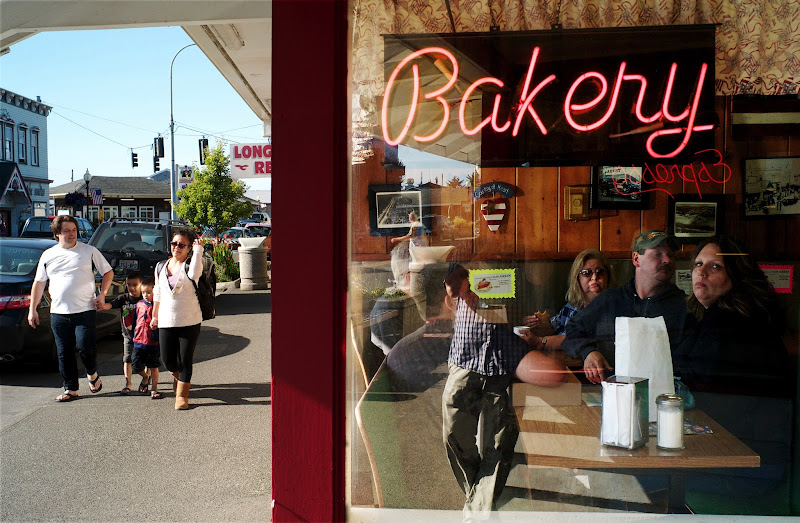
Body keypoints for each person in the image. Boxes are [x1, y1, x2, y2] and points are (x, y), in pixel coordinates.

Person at [441, 265, 565, 515]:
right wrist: (455, 284)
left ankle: (476, 514)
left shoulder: (526, 263)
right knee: (454, 433)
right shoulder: (470, 252)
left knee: (498, 444)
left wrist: (533, 328)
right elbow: (447, 276)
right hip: (468, 350)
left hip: (506, 349)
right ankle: (478, 503)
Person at [562, 230, 692, 384]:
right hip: (613, 393)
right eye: (658, 254)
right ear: (636, 259)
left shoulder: (684, 306)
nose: (667, 260)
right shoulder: (611, 299)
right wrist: (588, 352)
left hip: (665, 398)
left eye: (671, 254)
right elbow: (573, 329)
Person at [675, 235, 789, 393]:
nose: (701, 272)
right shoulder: (711, 315)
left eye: (715, 266)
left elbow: (701, 385)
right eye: (698, 264)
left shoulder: (732, 322)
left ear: (736, 275)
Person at [27, 215, 114, 402]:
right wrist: (32, 309)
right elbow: (39, 282)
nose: (71, 234)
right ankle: (70, 388)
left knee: (85, 347)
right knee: (64, 352)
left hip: (85, 309)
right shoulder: (48, 255)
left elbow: (108, 272)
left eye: (74, 230)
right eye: (66, 230)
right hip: (59, 312)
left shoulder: (89, 251)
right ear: (57, 234)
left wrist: (102, 294)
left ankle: (92, 373)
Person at [516, 249, 614, 366]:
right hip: (563, 364)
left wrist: (540, 342)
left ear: (607, 275)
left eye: (600, 271)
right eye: (587, 273)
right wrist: (535, 324)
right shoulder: (573, 306)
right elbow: (553, 327)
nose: (594, 277)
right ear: (577, 278)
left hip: (592, 369)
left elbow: (574, 338)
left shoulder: (612, 307)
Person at [151, 228, 204, 410]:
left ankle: (182, 396)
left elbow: (196, 274)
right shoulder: (160, 266)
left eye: (182, 245)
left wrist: (198, 251)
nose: (177, 247)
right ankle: (180, 377)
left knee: (185, 360)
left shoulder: (190, 266)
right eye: (174, 243)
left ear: (188, 248)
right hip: (166, 320)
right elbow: (157, 292)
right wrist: (154, 315)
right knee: (168, 360)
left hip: (189, 321)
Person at [101, 270, 143, 394]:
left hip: (144, 336)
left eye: (135, 285)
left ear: (141, 285)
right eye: (129, 285)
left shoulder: (144, 298)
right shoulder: (123, 298)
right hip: (128, 335)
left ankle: (147, 377)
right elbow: (111, 305)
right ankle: (128, 384)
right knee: (127, 359)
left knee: (145, 359)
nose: (131, 288)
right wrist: (102, 306)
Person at [131, 277, 162, 399]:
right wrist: (133, 335)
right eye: (143, 292)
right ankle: (145, 377)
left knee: (153, 366)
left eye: (149, 292)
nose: (145, 295)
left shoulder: (158, 306)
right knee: (136, 365)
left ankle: (154, 388)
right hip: (138, 341)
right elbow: (135, 322)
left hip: (152, 341)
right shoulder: (139, 304)